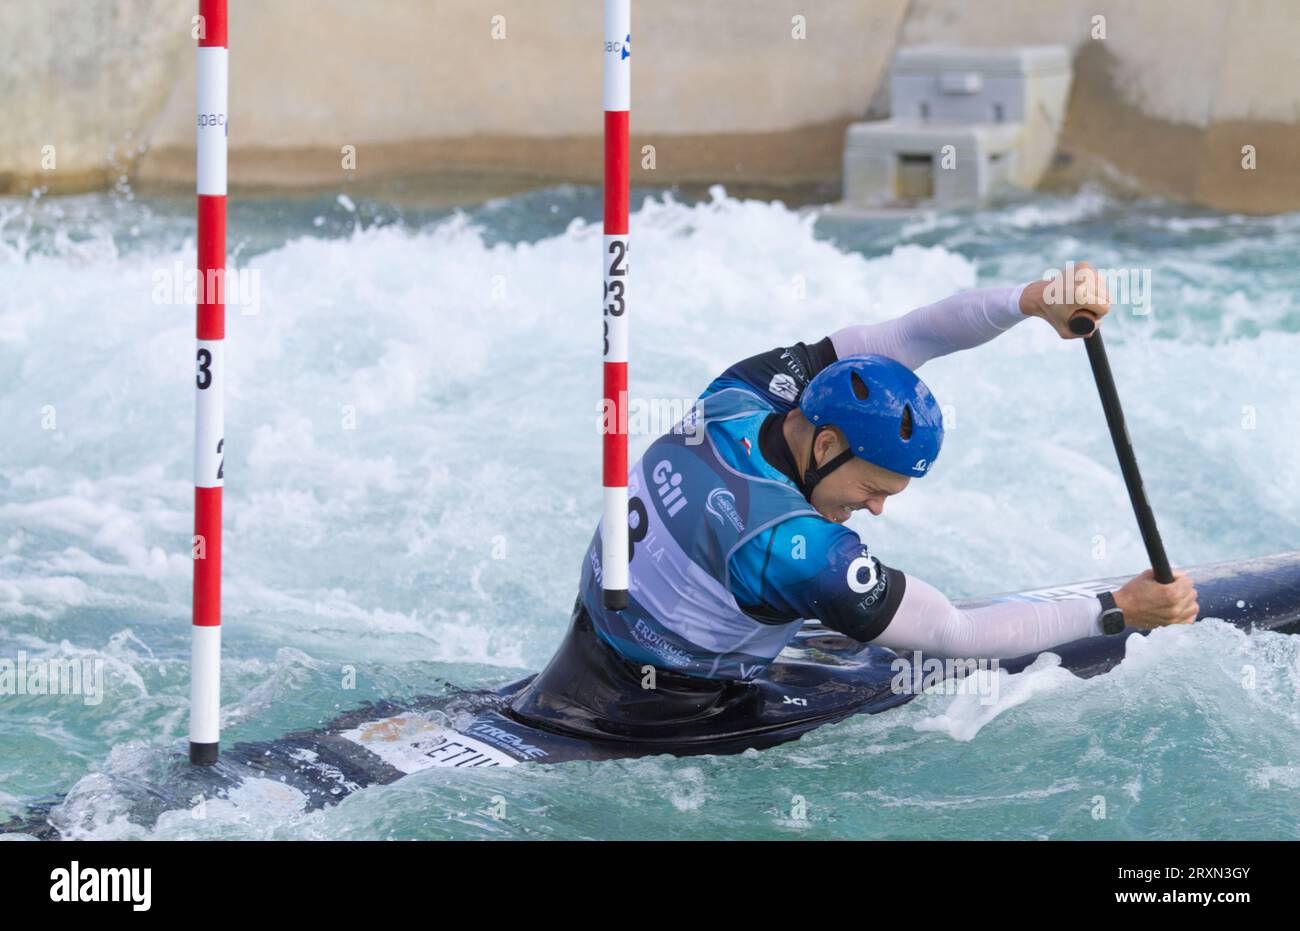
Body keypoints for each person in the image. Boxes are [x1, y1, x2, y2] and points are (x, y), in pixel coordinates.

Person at [510, 262, 1199, 739]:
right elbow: (954, 635)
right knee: (919, 646)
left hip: (591, 637)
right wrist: (1117, 609)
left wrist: (1032, 299)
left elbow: (913, 336)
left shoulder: (745, 392)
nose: (876, 509)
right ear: (828, 443)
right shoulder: (799, 552)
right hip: (661, 708)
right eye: (873, 488)